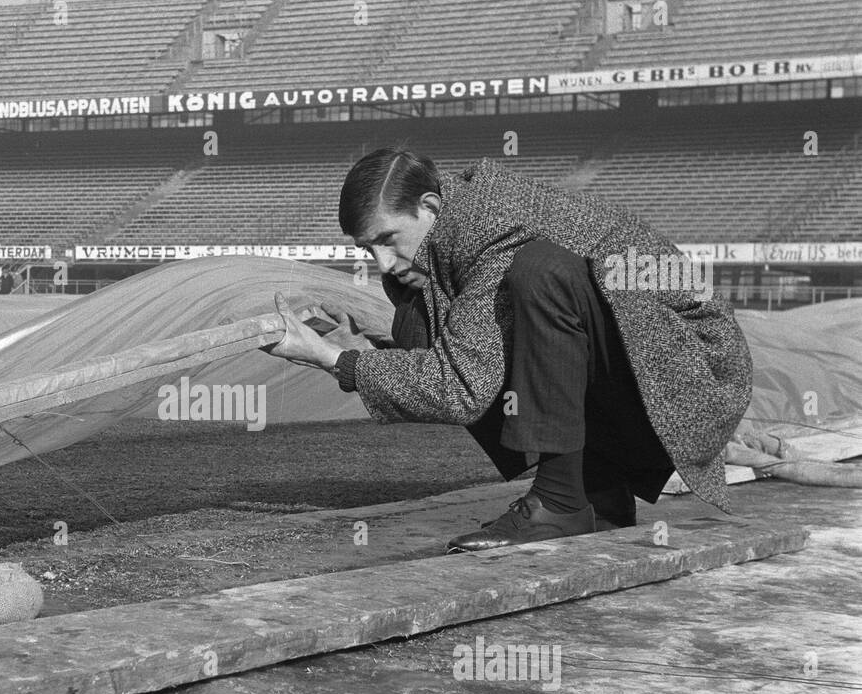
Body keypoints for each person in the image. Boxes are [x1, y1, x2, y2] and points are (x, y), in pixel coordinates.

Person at [266, 148, 752, 553]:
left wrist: (332, 359)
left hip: (695, 372)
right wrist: (367, 349)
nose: (382, 262)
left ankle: (560, 503)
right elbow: (472, 356)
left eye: (388, 239)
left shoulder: (490, 225)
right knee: (419, 317)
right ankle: (599, 495)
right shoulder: (453, 229)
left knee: (539, 272)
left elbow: (461, 387)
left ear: (431, 207)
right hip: (640, 364)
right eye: (367, 248)